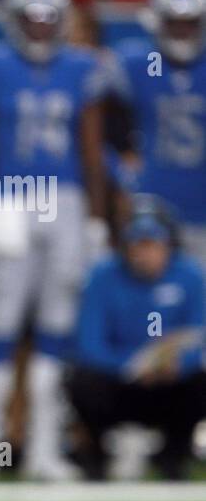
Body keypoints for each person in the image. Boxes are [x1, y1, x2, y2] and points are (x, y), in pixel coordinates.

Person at [0, 0, 107, 482]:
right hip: (11, 200)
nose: (41, 30)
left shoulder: (82, 67)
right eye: (31, 20)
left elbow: (92, 152)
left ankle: (44, 451)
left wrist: (95, 219)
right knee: (0, 327)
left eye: (49, 20)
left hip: (64, 200)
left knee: (54, 330)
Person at [68, 199, 206, 479]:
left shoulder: (191, 276)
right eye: (137, 244)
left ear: (168, 244)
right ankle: (95, 453)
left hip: (171, 382)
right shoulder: (102, 276)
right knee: (80, 380)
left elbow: (199, 335)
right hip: (120, 382)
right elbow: (88, 344)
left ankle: (175, 453)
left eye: (152, 244)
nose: (144, 253)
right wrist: (131, 366)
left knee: (200, 382)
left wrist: (178, 364)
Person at [110, 0, 206, 264]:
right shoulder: (133, 63)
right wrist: (123, 176)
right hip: (149, 204)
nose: (182, 30)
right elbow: (108, 134)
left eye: (190, 22)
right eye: (174, 22)